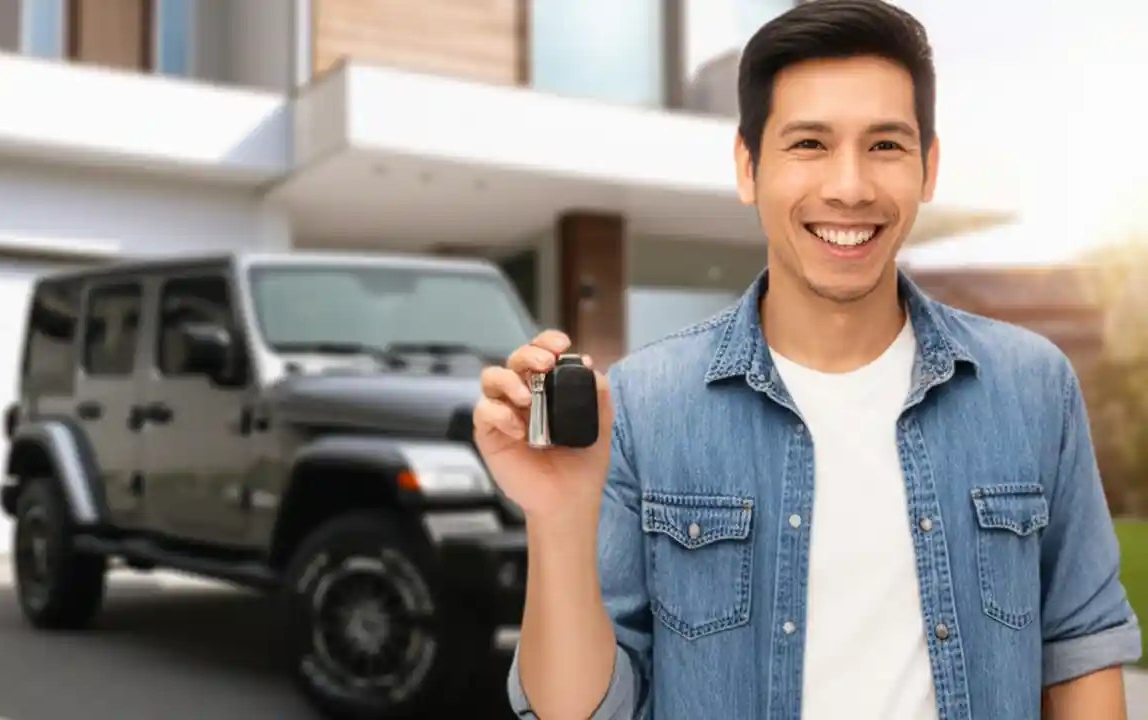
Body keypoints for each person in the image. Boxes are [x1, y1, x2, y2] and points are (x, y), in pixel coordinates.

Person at [472, 1, 1142, 718]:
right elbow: (574, 710)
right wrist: (558, 521)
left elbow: (1079, 654)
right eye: (809, 144)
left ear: (929, 165)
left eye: (885, 145)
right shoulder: (643, 403)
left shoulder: (1031, 387)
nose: (849, 187)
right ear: (748, 166)